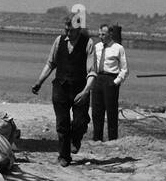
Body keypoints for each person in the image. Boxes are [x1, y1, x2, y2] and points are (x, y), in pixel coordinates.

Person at [31, 12, 97, 167]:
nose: (68, 33)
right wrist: (39, 81)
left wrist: (86, 91)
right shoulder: (58, 41)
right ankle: (64, 156)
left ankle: (76, 138)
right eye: (66, 30)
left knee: (80, 121)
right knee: (62, 123)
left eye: (71, 30)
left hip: (80, 88)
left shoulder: (88, 43)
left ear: (79, 29)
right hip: (60, 87)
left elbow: (92, 72)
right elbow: (50, 63)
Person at [90, 24, 129, 142]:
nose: (101, 37)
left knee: (111, 110)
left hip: (110, 79)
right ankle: (97, 138)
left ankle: (113, 138)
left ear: (110, 34)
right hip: (98, 78)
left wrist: (116, 82)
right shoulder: (97, 47)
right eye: (99, 34)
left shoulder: (118, 48)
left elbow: (125, 69)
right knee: (97, 110)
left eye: (103, 34)